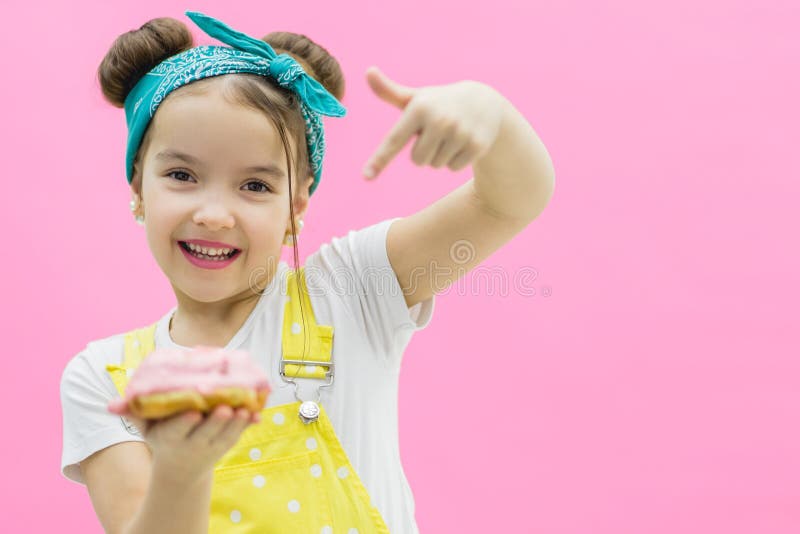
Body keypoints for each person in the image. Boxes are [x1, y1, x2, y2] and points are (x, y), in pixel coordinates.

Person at [59, 10, 555, 534]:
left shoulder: (352, 290)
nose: (214, 213)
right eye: (182, 175)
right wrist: (182, 467)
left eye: (255, 186)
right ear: (138, 188)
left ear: (296, 209)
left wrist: (491, 114)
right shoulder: (106, 377)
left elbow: (511, 202)